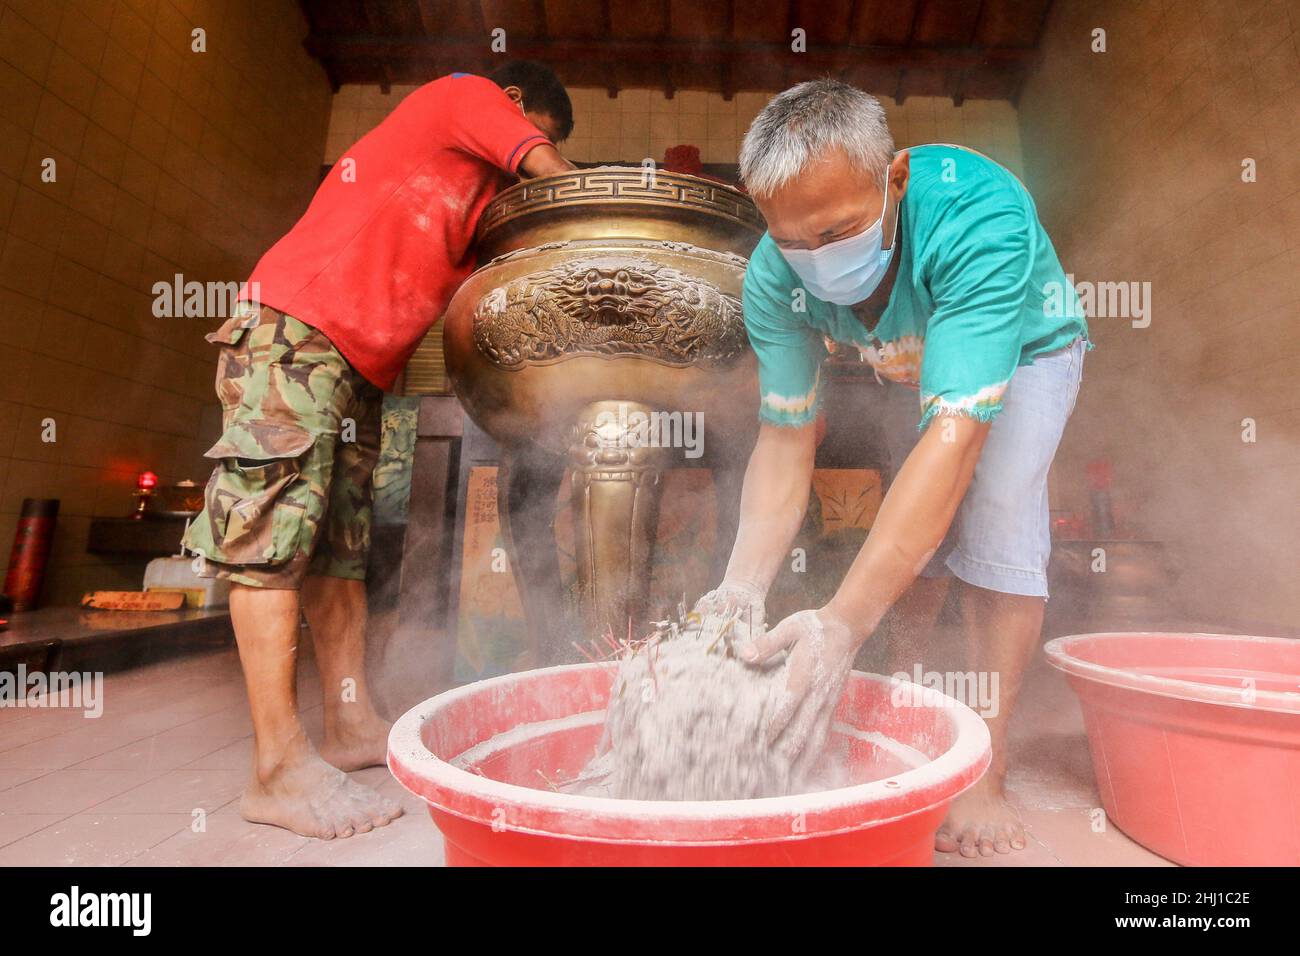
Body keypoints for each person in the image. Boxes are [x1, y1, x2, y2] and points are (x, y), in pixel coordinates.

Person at [183, 62, 576, 839]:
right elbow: (553, 184)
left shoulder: (477, 204)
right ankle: (275, 770)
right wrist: (586, 197)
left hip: (363, 368)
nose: (527, 156)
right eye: (541, 135)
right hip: (297, 325)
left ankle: (351, 723)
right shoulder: (467, 94)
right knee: (270, 538)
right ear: (517, 107)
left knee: (339, 551)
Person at [701, 80, 1088, 857]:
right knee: (921, 535)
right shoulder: (773, 280)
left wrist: (839, 623)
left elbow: (959, 433)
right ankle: (904, 688)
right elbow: (784, 437)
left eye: (837, 231)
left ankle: (986, 759)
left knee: (997, 514)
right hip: (910, 357)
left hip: (1030, 348)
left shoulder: (980, 214)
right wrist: (736, 591)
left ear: (897, 178)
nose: (813, 260)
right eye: (792, 241)